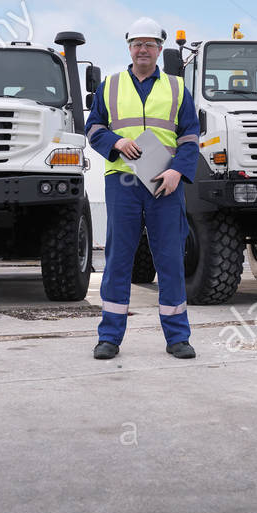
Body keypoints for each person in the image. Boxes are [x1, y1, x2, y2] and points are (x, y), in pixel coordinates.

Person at [85, 18, 202, 359]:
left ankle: (178, 337)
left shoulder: (178, 88)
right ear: (129, 48)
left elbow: (191, 136)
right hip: (122, 182)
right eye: (137, 43)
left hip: (165, 183)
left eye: (150, 44)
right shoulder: (110, 85)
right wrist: (116, 142)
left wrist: (178, 172)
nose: (143, 49)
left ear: (159, 49)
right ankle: (109, 337)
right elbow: (93, 128)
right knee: (118, 259)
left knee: (169, 259)